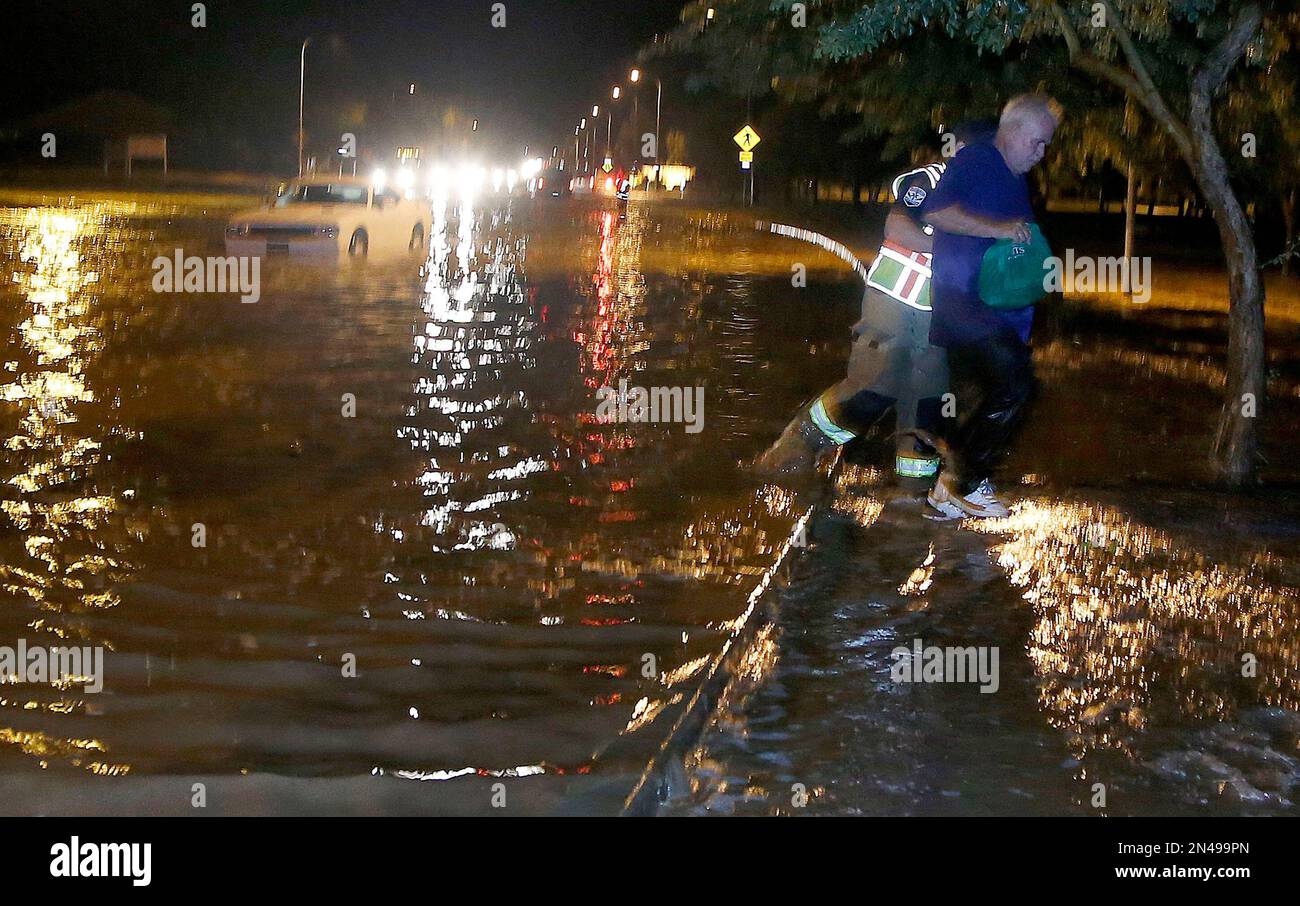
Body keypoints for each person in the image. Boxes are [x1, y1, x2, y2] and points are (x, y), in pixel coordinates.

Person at [755, 119, 999, 482]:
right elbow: (898, 228)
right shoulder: (929, 181)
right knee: (875, 385)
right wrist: (954, 251)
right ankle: (797, 447)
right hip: (893, 303)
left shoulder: (986, 200)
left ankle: (911, 496)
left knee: (927, 400)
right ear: (962, 150)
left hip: (937, 316)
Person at [918, 93, 1061, 519]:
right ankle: (964, 481)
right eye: (1037, 142)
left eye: (1046, 144)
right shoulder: (979, 160)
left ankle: (946, 496)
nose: (1042, 152)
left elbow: (1018, 246)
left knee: (1006, 388)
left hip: (989, 309)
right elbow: (934, 211)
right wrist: (1000, 229)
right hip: (962, 302)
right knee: (1018, 385)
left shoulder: (1011, 175)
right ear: (1013, 130)